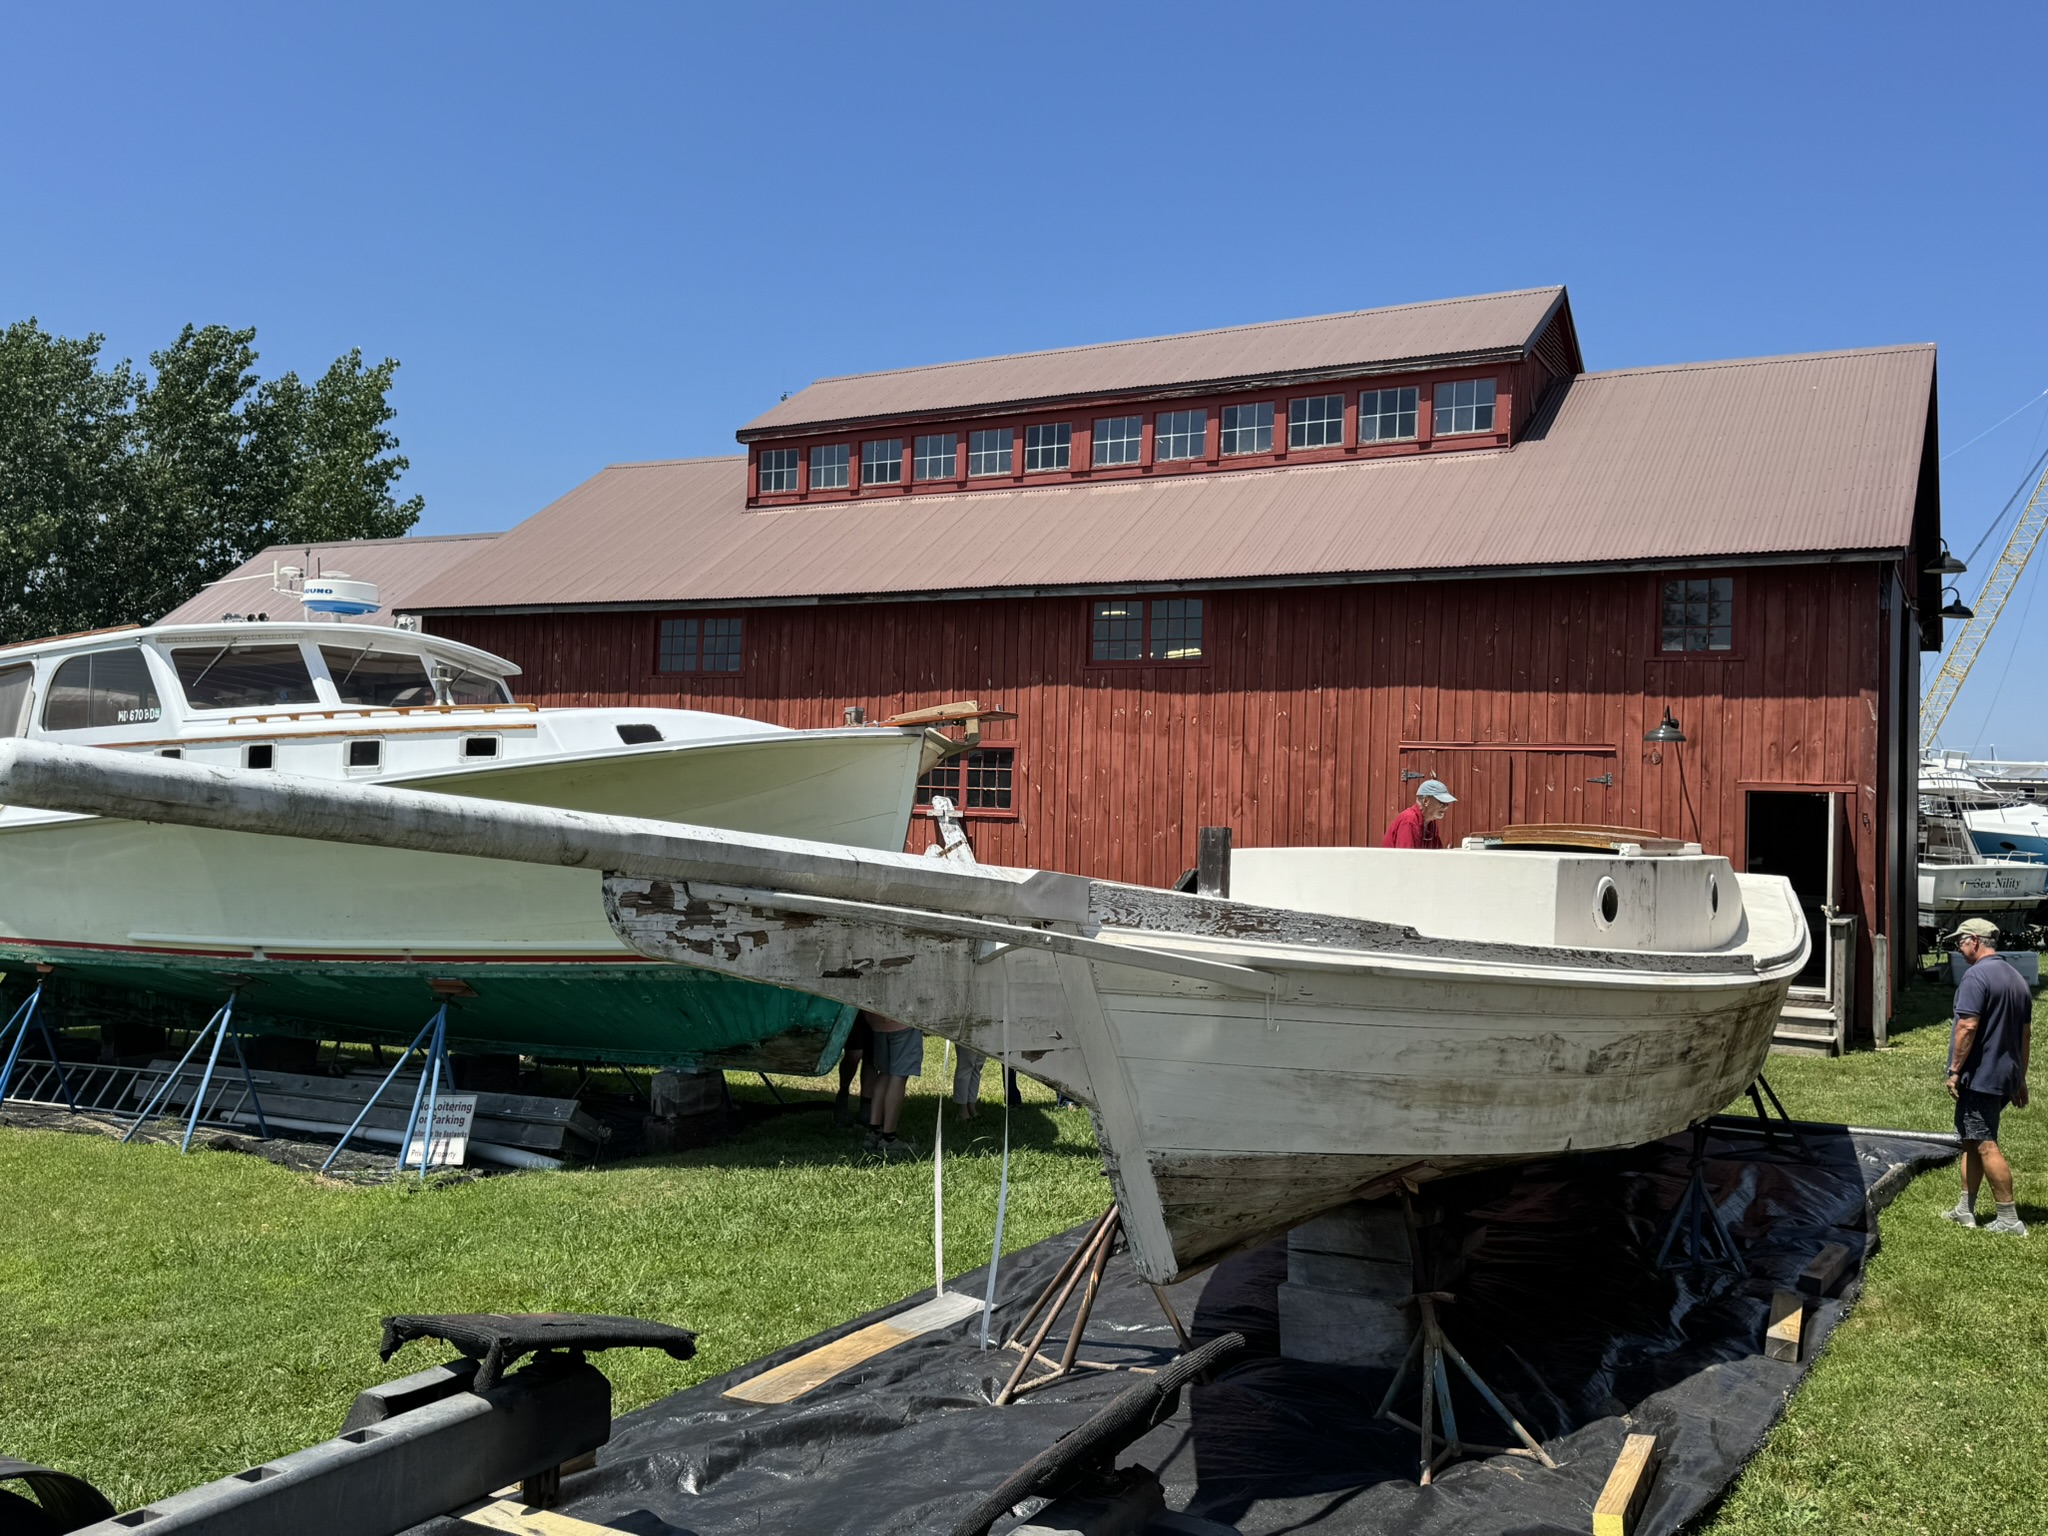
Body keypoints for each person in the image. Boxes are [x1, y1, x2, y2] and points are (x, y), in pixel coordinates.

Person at [1940, 917, 2032, 1236]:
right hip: (2004, 1075)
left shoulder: (1975, 977)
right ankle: (1965, 1209)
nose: (1958, 947)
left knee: (1984, 1143)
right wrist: (2020, 1079)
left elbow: (1967, 1026)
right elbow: (2025, 1036)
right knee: (1972, 1139)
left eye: (1960, 941)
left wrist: (1954, 1070)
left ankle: (2009, 1219)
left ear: (1975, 941)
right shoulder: (2016, 978)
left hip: (1980, 1075)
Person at [864, 1010, 924, 1158]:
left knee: (884, 1073)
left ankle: (873, 1132)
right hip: (904, 1020)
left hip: (876, 1022)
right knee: (898, 1076)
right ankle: (888, 1138)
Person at [1384, 779, 1457, 849]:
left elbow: (1438, 855)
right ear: (1425, 801)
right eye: (1441, 802)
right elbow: (1406, 858)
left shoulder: (1431, 823)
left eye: (1447, 803)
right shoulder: (1409, 820)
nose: (1446, 806)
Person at [834, 1011, 875, 1126]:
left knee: (872, 1058)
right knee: (854, 1054)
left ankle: (866, 1108)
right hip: (853, 1009)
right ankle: (843, 1093)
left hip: (875, 1009)